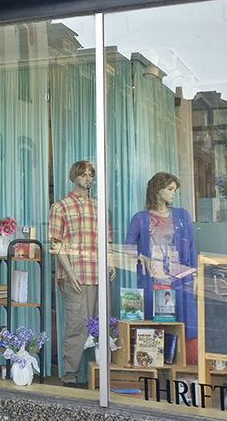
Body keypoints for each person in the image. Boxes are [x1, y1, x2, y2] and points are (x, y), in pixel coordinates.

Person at [49, 160, 114, 388]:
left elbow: (106, 238)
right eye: (84, 175)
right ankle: (70, 376)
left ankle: (101, 374)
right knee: (76, 326)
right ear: (74, 177)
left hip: (99, 274)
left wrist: (111, 261)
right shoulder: (61, 207)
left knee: (103, 324)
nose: (88, 178)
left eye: (91, 175)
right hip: (75, 275)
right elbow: (56, 243)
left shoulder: (99, 206)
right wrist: (68, 271)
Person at [125, 172, 198, 362]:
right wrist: (140, 256)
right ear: (158, 190)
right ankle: (153, 365)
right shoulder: (140, 218)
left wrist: (194, 274)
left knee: (179, 321)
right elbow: (127, 247)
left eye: (175, 189)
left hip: (177, 278)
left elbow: (190, 247)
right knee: (153, 323)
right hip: (152, 278)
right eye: (170, 189)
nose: (174, 193)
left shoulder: (182, 215)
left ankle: (178, 366)